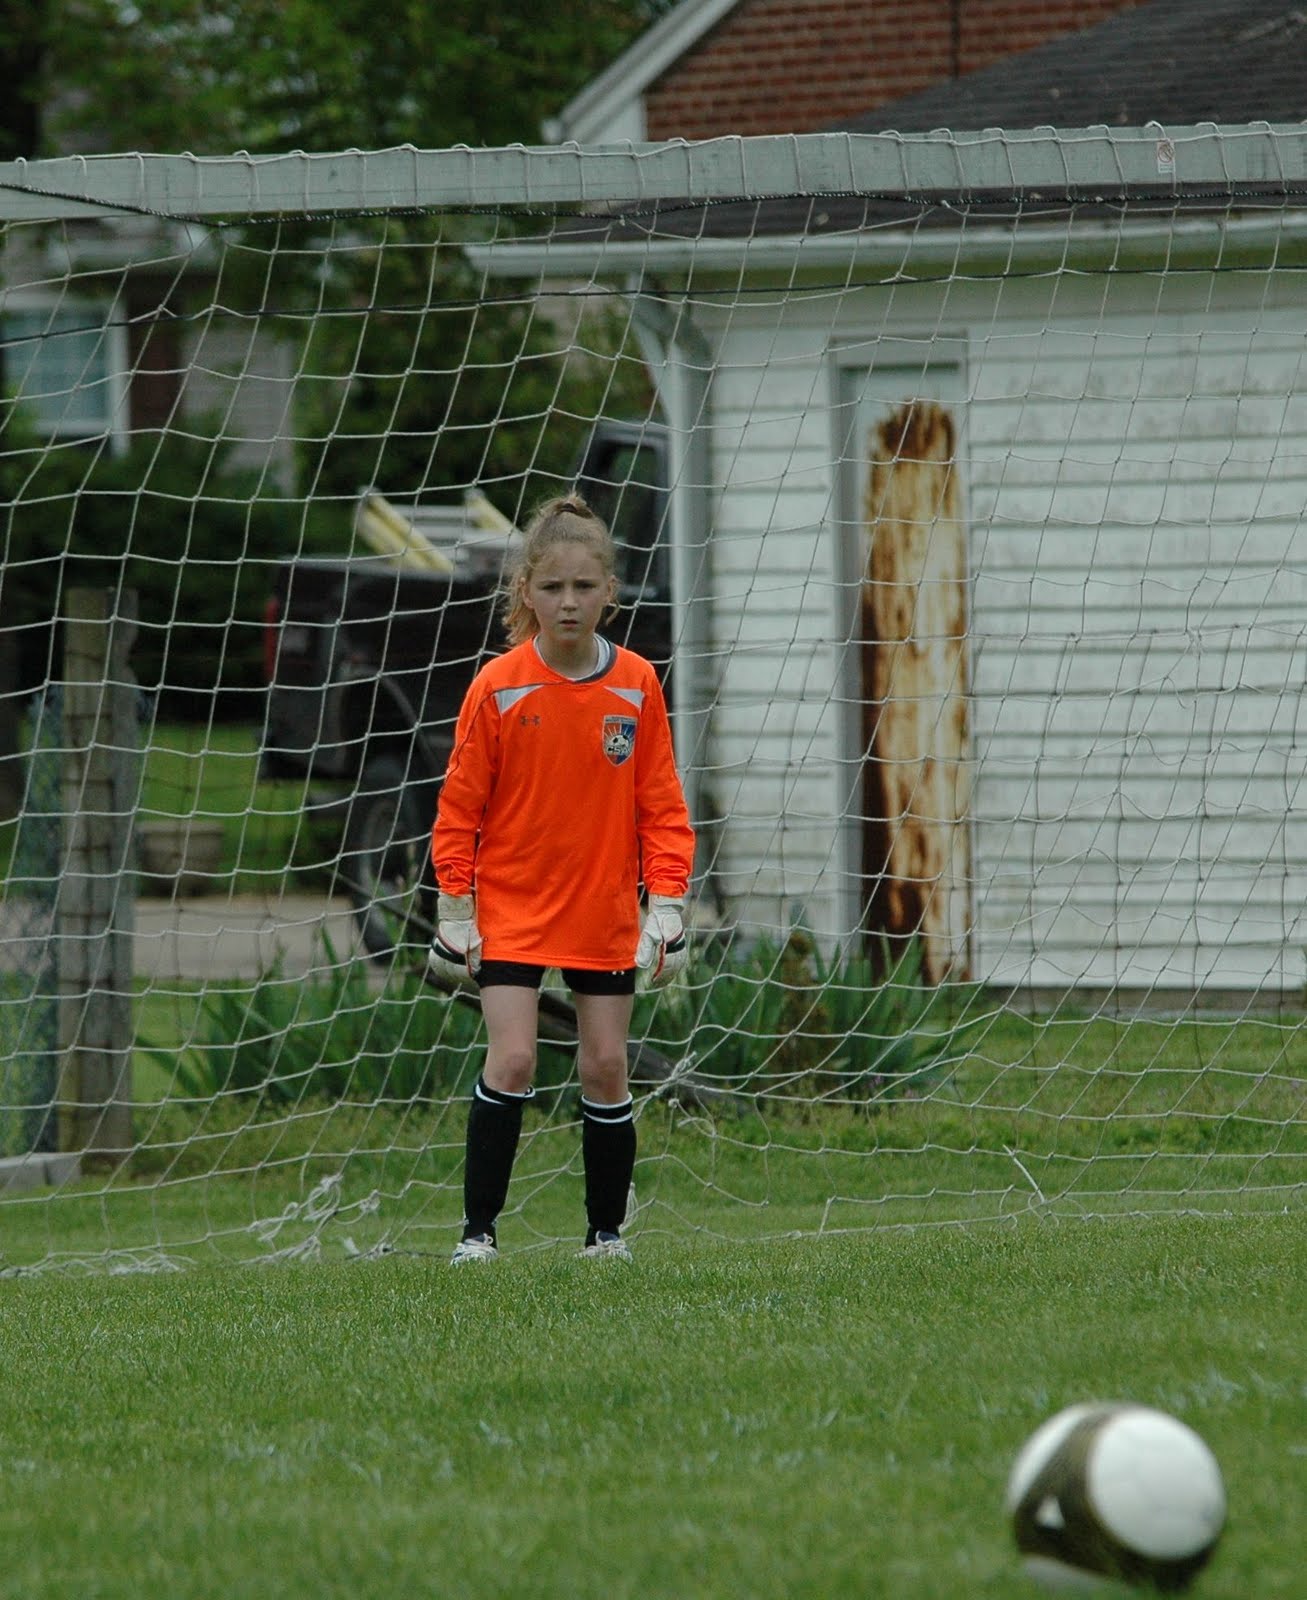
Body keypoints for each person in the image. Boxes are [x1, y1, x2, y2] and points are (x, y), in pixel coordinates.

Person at [429, 493, 695, 1264]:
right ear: (526, 595)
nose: (568, 602)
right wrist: (456, 905)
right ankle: (477, 1237)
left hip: (601, 910)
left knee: (605, 1066)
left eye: (583, 587)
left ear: (609, 591)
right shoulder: (498, 687)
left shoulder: (637, 684)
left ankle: (604, 1237)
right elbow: (459, 807)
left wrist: (667, 900)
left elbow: (662, 806)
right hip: (510, 906)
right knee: (511, 1060)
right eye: (552, 589)